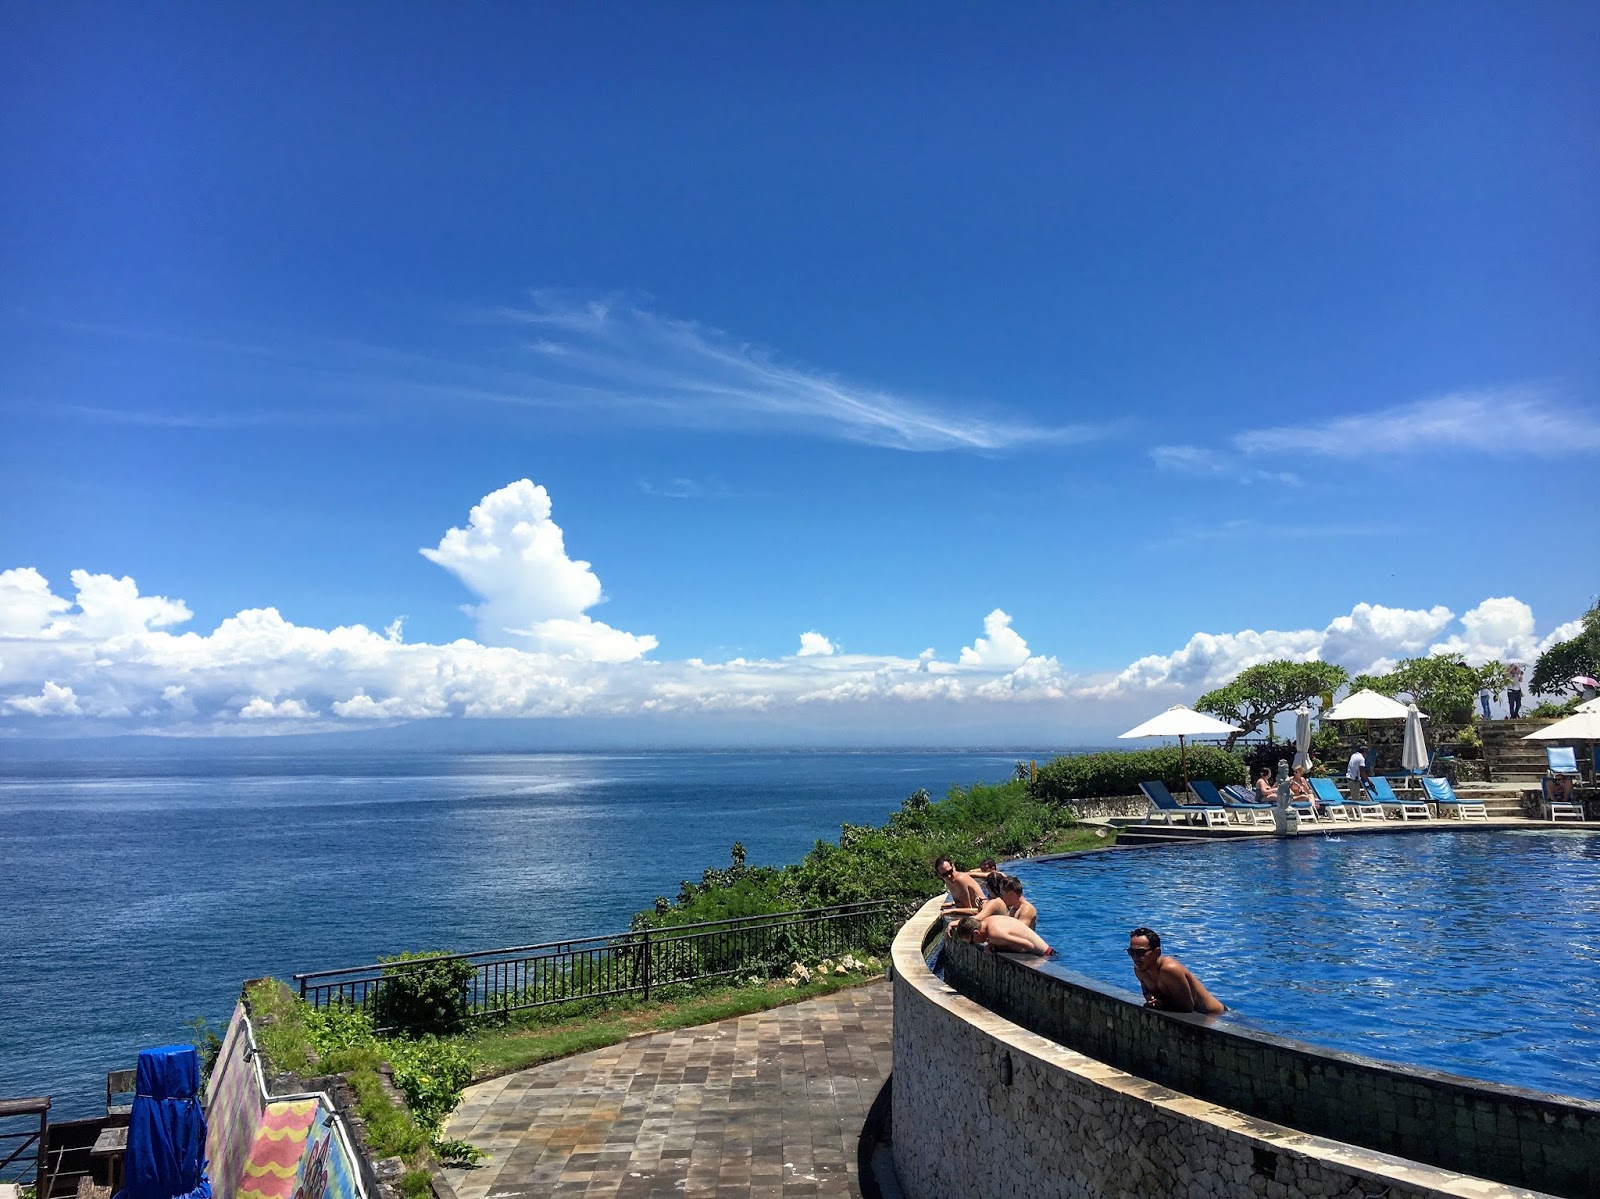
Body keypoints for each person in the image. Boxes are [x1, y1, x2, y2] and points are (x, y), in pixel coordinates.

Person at [1127, 927, 1225, 1015]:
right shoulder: (1140, 969)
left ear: (1157, 952)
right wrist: (1150, 998)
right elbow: (1147, 993)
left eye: (1140, 952)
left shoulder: (1169, 970)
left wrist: (1161, 1004)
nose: (1135, 957)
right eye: (1131, 952)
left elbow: (1187, 1006)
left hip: (1218, 1015)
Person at [949, 913, 1054, 956]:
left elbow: (1029, 946)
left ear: (976, 933)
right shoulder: (988, 920)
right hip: (1049, 951)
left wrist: (997, 949)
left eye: (972, 942)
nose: (975, 943)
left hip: (1046, 956)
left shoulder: (994, 934)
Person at [969, 874, 1039, 929]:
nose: (1002, 898)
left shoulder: (1026, 910)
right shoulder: (1013, 908)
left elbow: (1019, 933)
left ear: (1011, 894)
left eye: (1003, 895)